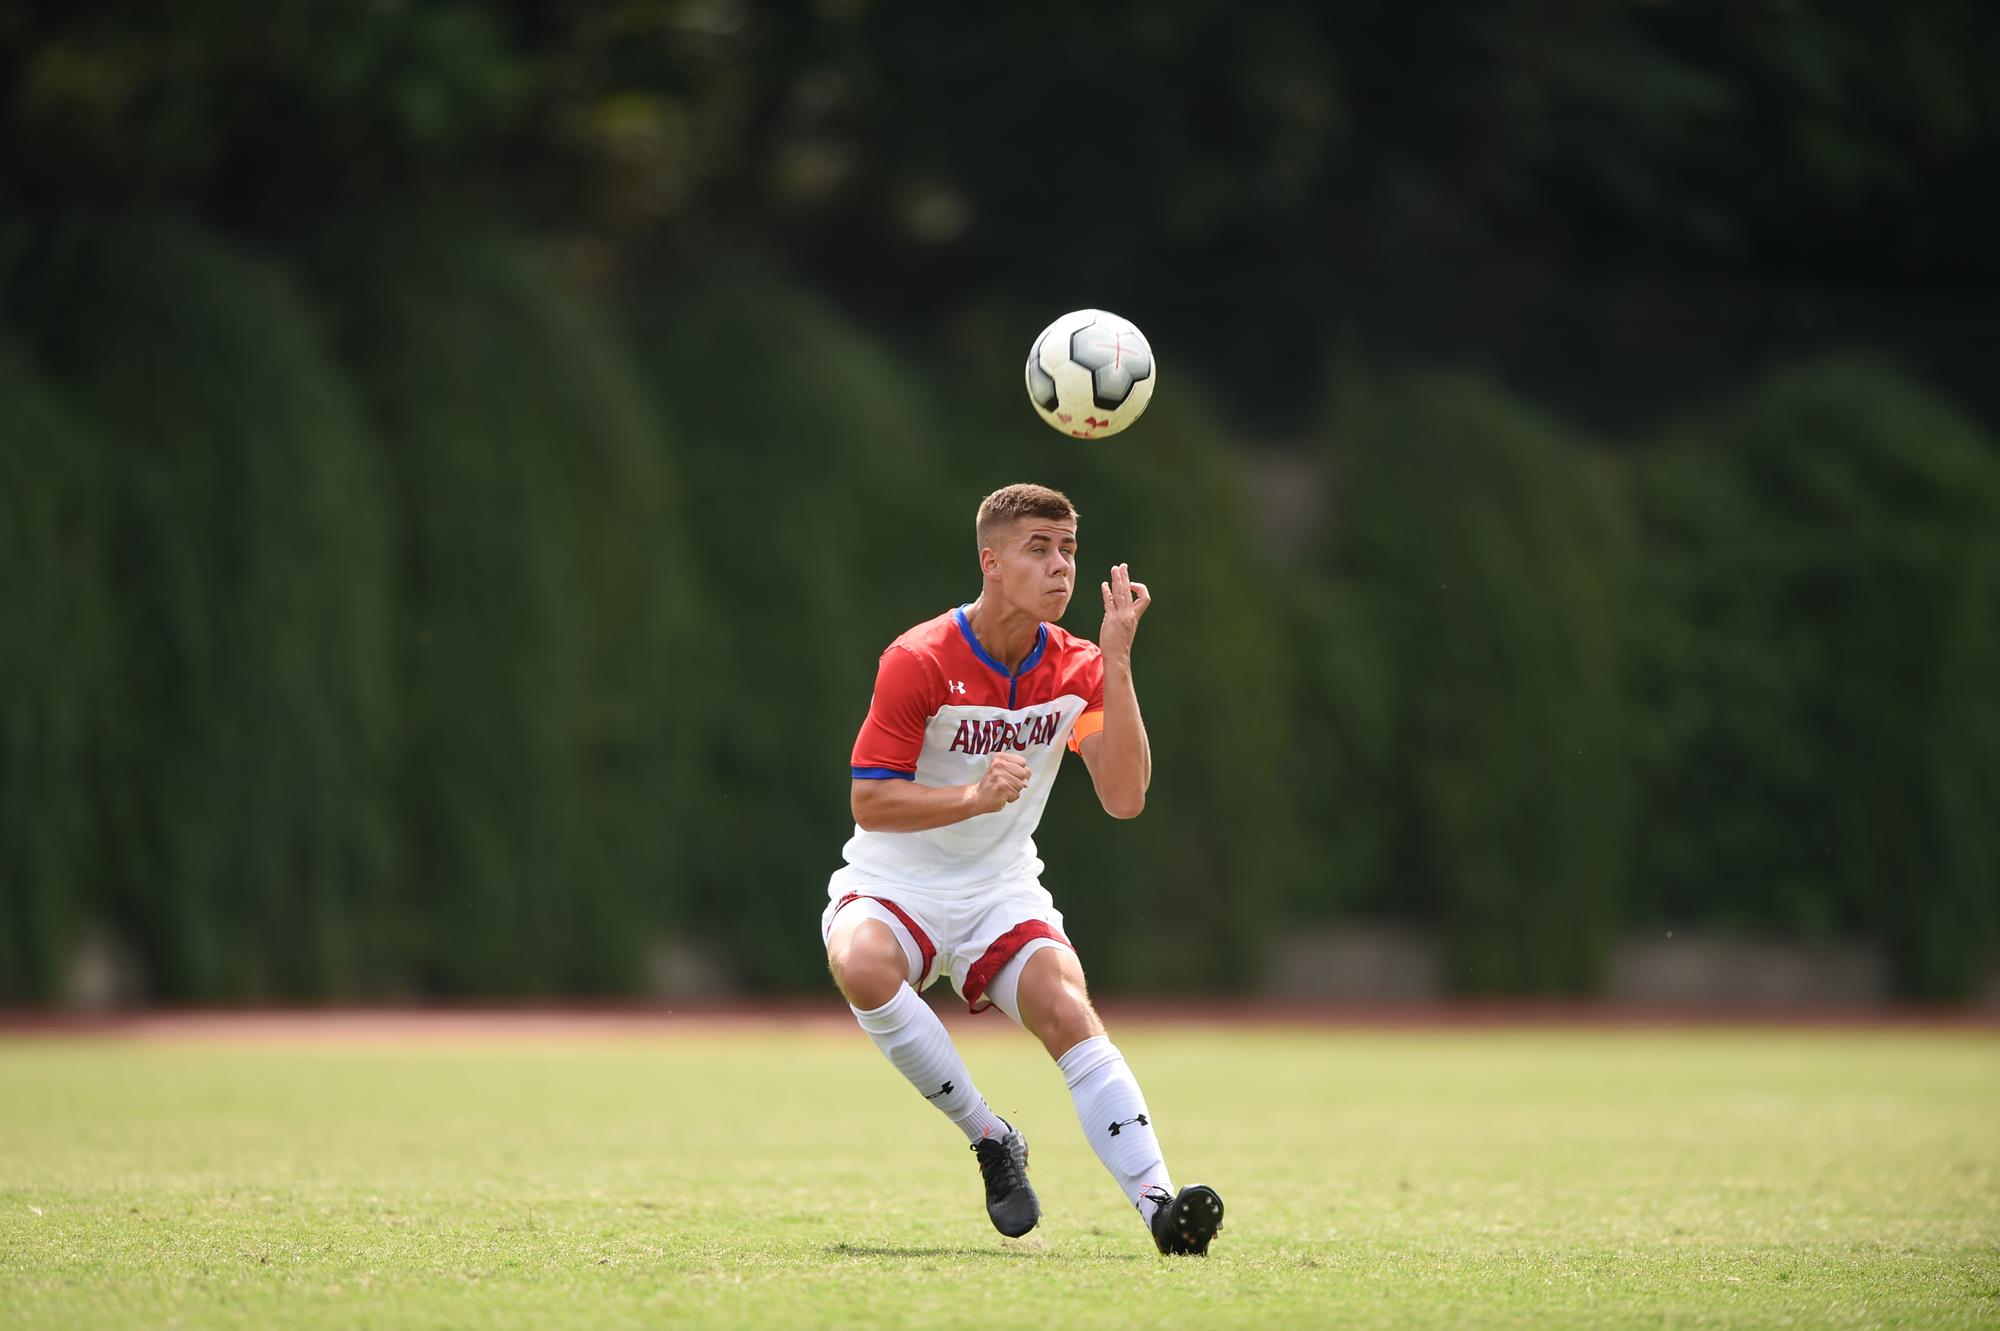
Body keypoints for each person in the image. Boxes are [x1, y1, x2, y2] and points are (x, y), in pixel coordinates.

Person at [820, 482, 1224, 1256]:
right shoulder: (919, 658)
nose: (1060, 567)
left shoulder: (1076, 667)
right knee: (861, 962)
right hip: (894, 883)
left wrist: (1115, 661)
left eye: (1068, 549)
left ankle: (1161, 1209)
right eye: (1039, 548)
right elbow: (869, 801)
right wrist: (972, 796)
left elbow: (1125, 796)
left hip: (1000, 890)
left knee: (1068, 1008)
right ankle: (991, 1137)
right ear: (991, 561)